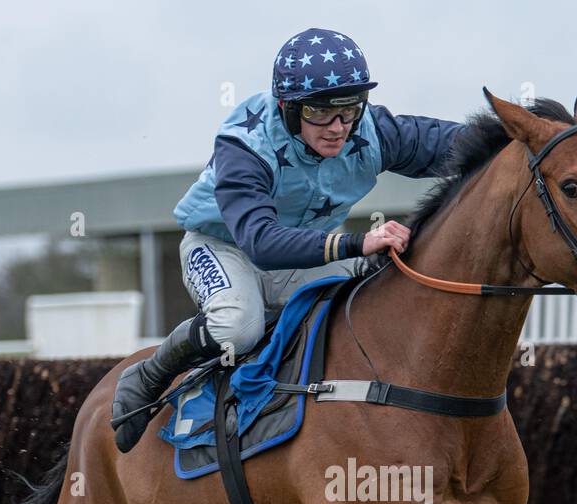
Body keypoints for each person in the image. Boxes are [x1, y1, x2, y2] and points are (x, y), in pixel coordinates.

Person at [110, 27, 465, 452]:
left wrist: (545, 137)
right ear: (288, 108)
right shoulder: (245, 145)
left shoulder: (369, 129)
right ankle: (150, 373)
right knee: (237, 328)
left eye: (350, 109)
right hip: (224, 249)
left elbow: (468, 143)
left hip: (300, 255)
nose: (338, 127)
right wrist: (356, 243)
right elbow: (261, 242)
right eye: (319, 113)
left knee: (387, 281)